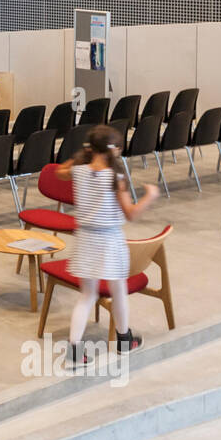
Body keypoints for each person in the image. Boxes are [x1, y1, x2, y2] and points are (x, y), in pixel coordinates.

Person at [56, 125, 160, 365]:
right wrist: (149, 196)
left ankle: (74, 351)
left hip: (85, 238)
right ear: (114, 150)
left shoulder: (79, 171)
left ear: (91, 149)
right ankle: (125, 340)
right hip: (110, 239)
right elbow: (131, 214)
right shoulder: (115, 178)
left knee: (87, 295)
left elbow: (59, 171)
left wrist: (81, 156)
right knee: (118, 291)